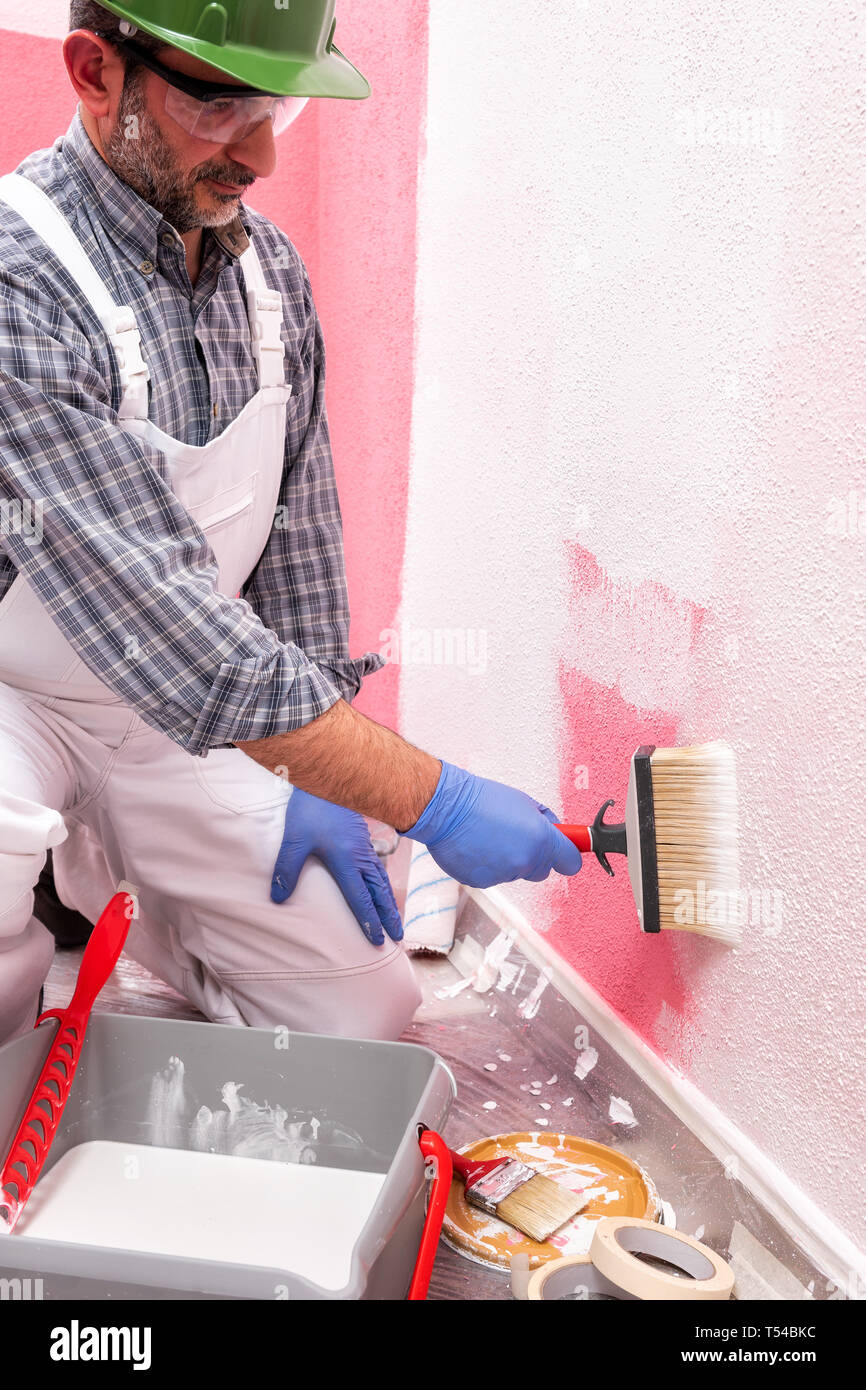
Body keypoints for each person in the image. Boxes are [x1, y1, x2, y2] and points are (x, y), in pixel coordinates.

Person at [0, 0, 581, 1047]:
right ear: (94, 71)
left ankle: (165, 925)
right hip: (17, 698)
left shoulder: (267, 274)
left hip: (175, 715)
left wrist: (320, 782)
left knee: (361, 1018)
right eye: (220, 103)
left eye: (275, 104)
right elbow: (169, 629)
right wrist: (428, 796)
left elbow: (296, 542)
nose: (260, 150)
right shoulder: (17, 281)